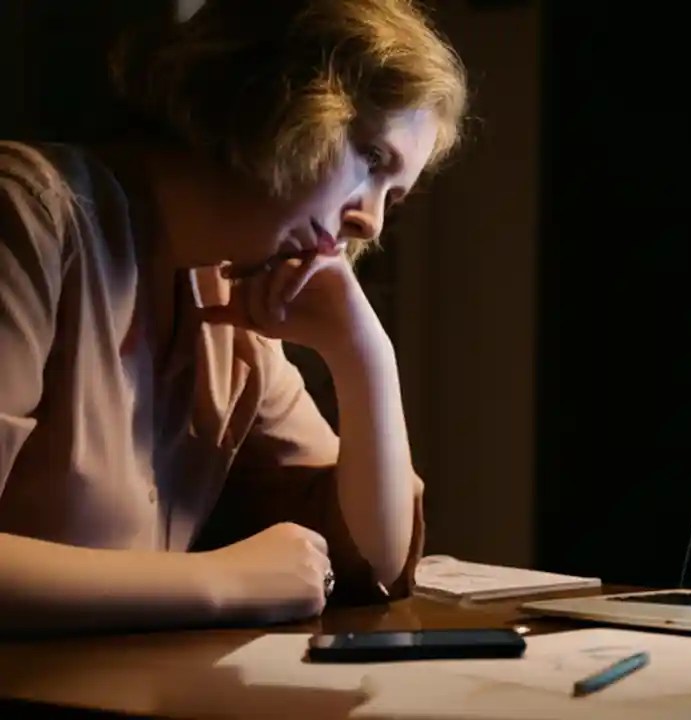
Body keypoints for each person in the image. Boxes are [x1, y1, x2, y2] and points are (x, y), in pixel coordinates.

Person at [0, 0, 467, 635]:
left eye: (394, 196)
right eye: (372, 160)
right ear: (283, 103)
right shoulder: (30, 217)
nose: (372, 222)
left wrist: (364, 356)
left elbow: (372, 563)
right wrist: (221, 582)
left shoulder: (231, 306)